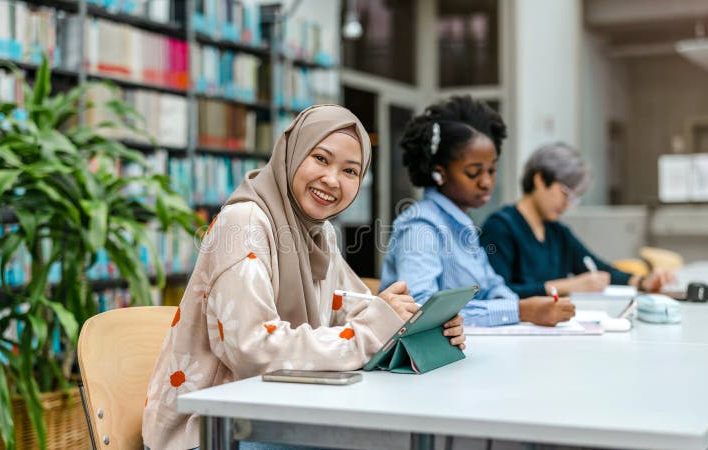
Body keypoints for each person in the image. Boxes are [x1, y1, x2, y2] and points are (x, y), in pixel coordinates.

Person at [142, 105, 466, 450]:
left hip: (276, 414)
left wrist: (418, 327)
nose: (332, 179)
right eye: (321, 159)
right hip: (209, 432)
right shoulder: (244, 224)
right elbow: (254, 350)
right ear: (291, 153)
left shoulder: (319, 234)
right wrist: (374, 328)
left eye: (350, 171)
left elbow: (356, 309)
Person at [380, 96, 575, 328]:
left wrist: (523, 306)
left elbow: (491, 285)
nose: (486, 182)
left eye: (492, 170)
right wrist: (520, 311)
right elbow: (420, 310)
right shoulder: (420, 226)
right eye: (474, 173)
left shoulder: (461, 225)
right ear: (439, 173)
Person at [480, 142, 673, 298]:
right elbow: (497, 293)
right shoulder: (500, 227)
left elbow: (598, 269)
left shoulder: (556, 232)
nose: (568, 204)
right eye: (566, 193)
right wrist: (568, 285)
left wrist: (642, 282)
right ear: (539, 180)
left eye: (574, 197)